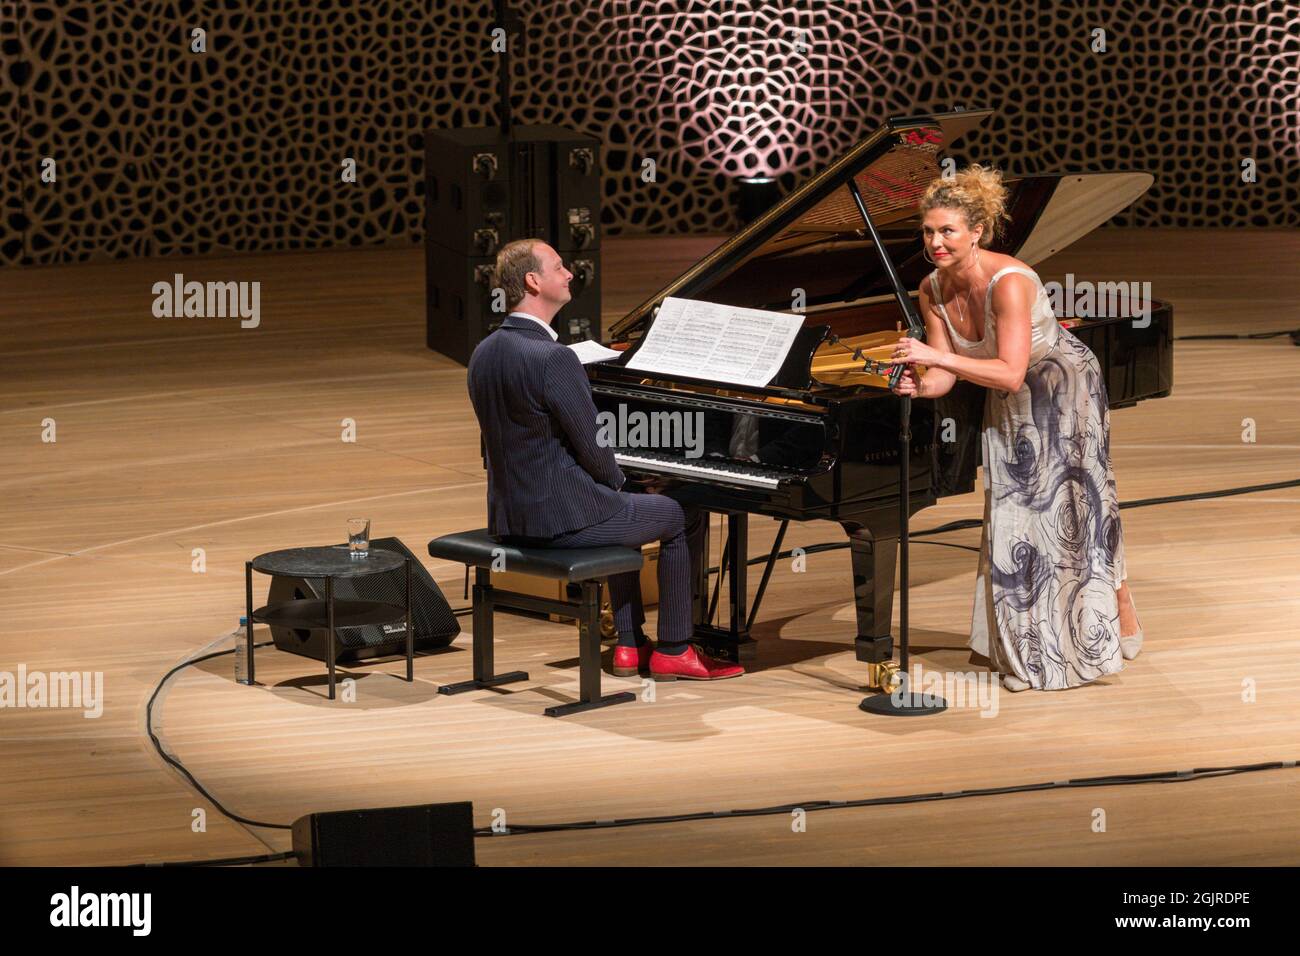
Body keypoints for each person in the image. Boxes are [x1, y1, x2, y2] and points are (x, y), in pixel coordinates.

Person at [889, 166, 1143, 691]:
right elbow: (944, 375)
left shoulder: (1009, 284)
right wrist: (921, 384)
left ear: (976, 232)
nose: (935, 242)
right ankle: (1028, 650)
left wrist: (935, 355)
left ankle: (1108, 612)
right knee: (1016, 514)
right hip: (1009, 400)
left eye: (948, 231)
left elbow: (1006, 371)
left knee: (1073, 507)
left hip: (1063, 389)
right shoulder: (931, 289)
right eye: (928, 232)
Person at [466, 238, 743, 681]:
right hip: (562, 521)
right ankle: (674, 647)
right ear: (534, 281)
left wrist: (621, 485)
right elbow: (595, 449)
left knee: (630, 508)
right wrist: (627, 481)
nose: (570, 273)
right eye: (559, 267)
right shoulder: (554, 358)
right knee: (679, 512)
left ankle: (631, 646)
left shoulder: (484, 351)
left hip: (511, 517)